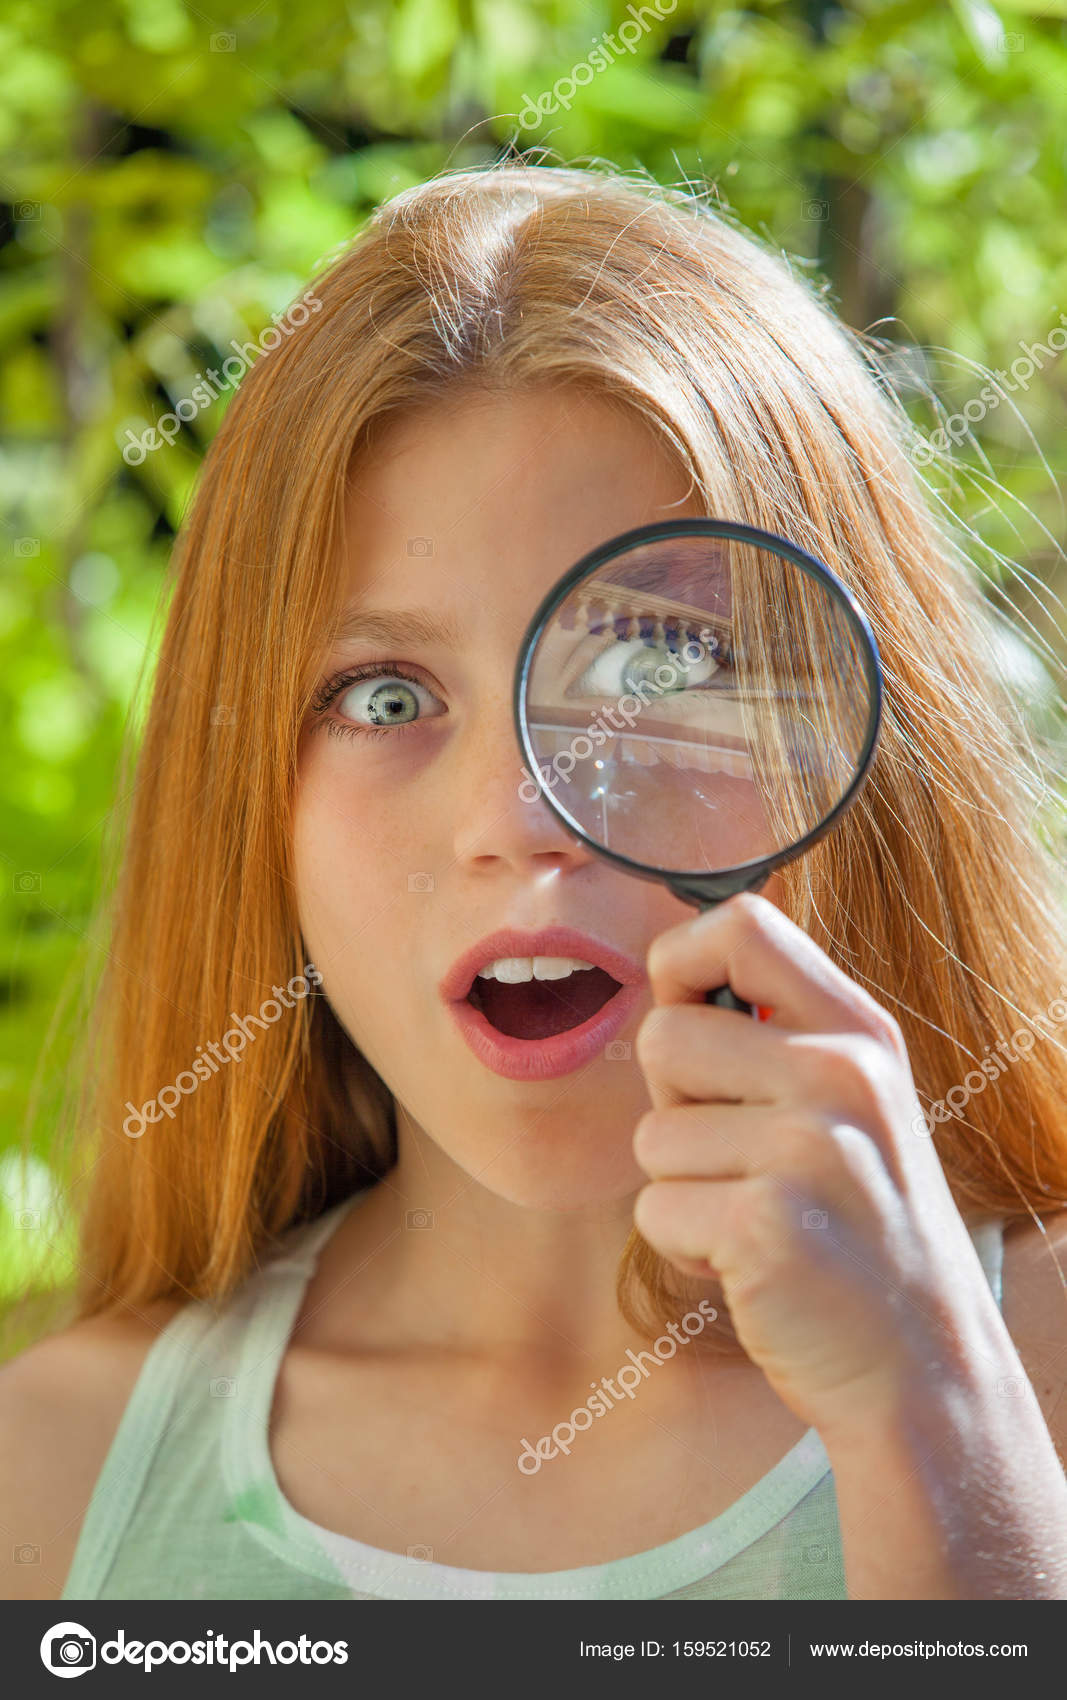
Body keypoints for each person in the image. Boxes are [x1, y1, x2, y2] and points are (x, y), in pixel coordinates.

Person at [2, 161, 1066, 1603]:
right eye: (383, 697)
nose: (518, 818)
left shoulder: (1029, 1375)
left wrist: (937, 1429)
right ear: (248, 805)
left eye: (660, 665)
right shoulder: (56, 1479)